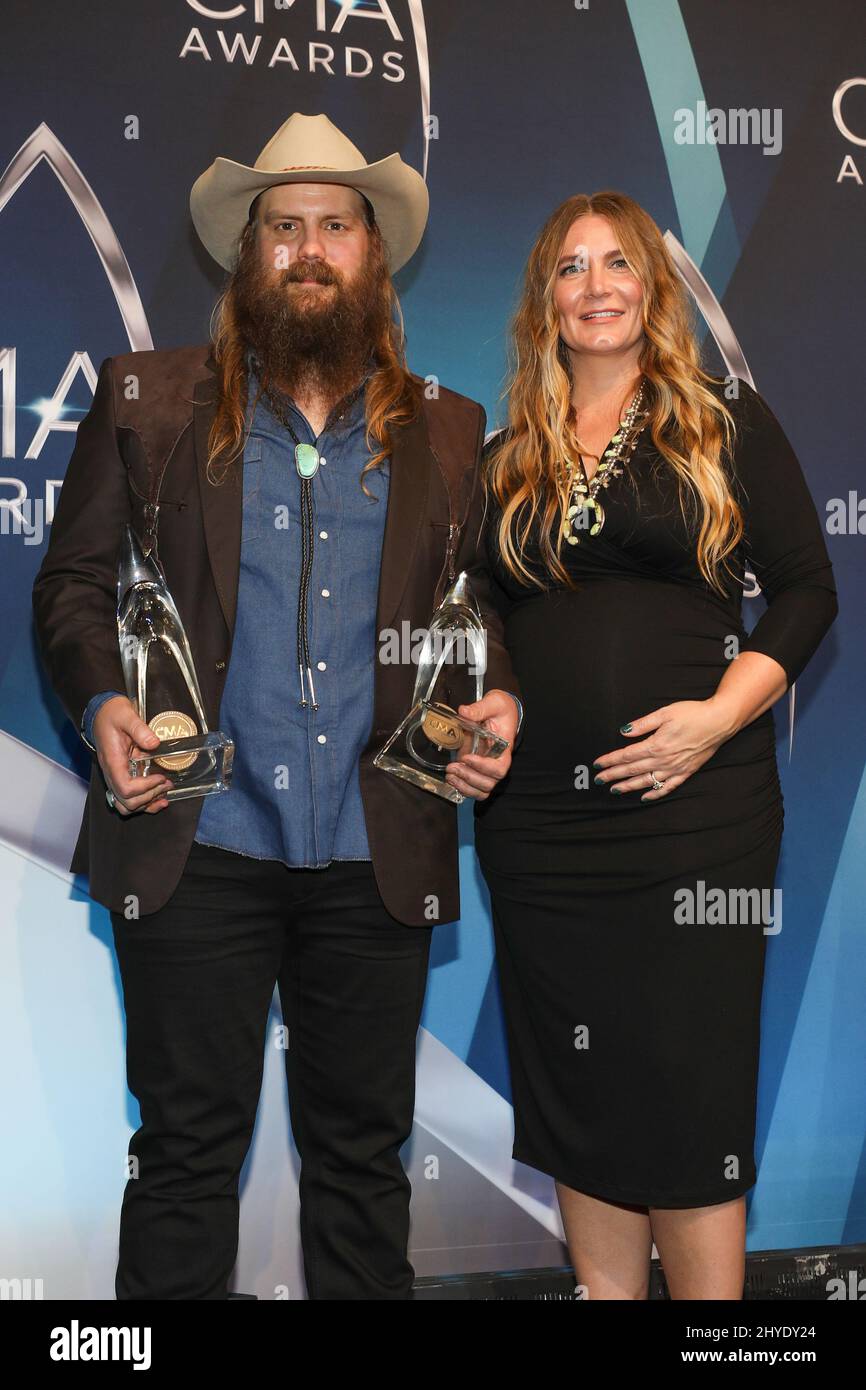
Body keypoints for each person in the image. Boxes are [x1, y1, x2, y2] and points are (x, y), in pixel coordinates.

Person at [31, 111, 522, 1300]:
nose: (308, 251)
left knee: (362, 1169)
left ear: (373, 255)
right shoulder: (147, 401)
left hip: (372, 846)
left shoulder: (451, 433)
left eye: (334, 228)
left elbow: (476, 604)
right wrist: (100, 701)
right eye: (284, 229)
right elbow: (73, 585)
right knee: (187, 1160)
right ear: (248, 258)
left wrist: (495, 690)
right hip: (200, 834)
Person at [469, 190, 837, 1300]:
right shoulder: (502, 454)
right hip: (540, 829)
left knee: (686, 1092)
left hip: (697, 821)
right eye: (570, 267)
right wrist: (488, 696)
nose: (595, 286)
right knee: (580, 1094)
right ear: (544, 298)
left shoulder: (721, 417)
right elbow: (478, 609)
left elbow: (807, 592)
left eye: (617, 262)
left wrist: (719, 717)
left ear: (652, 286)